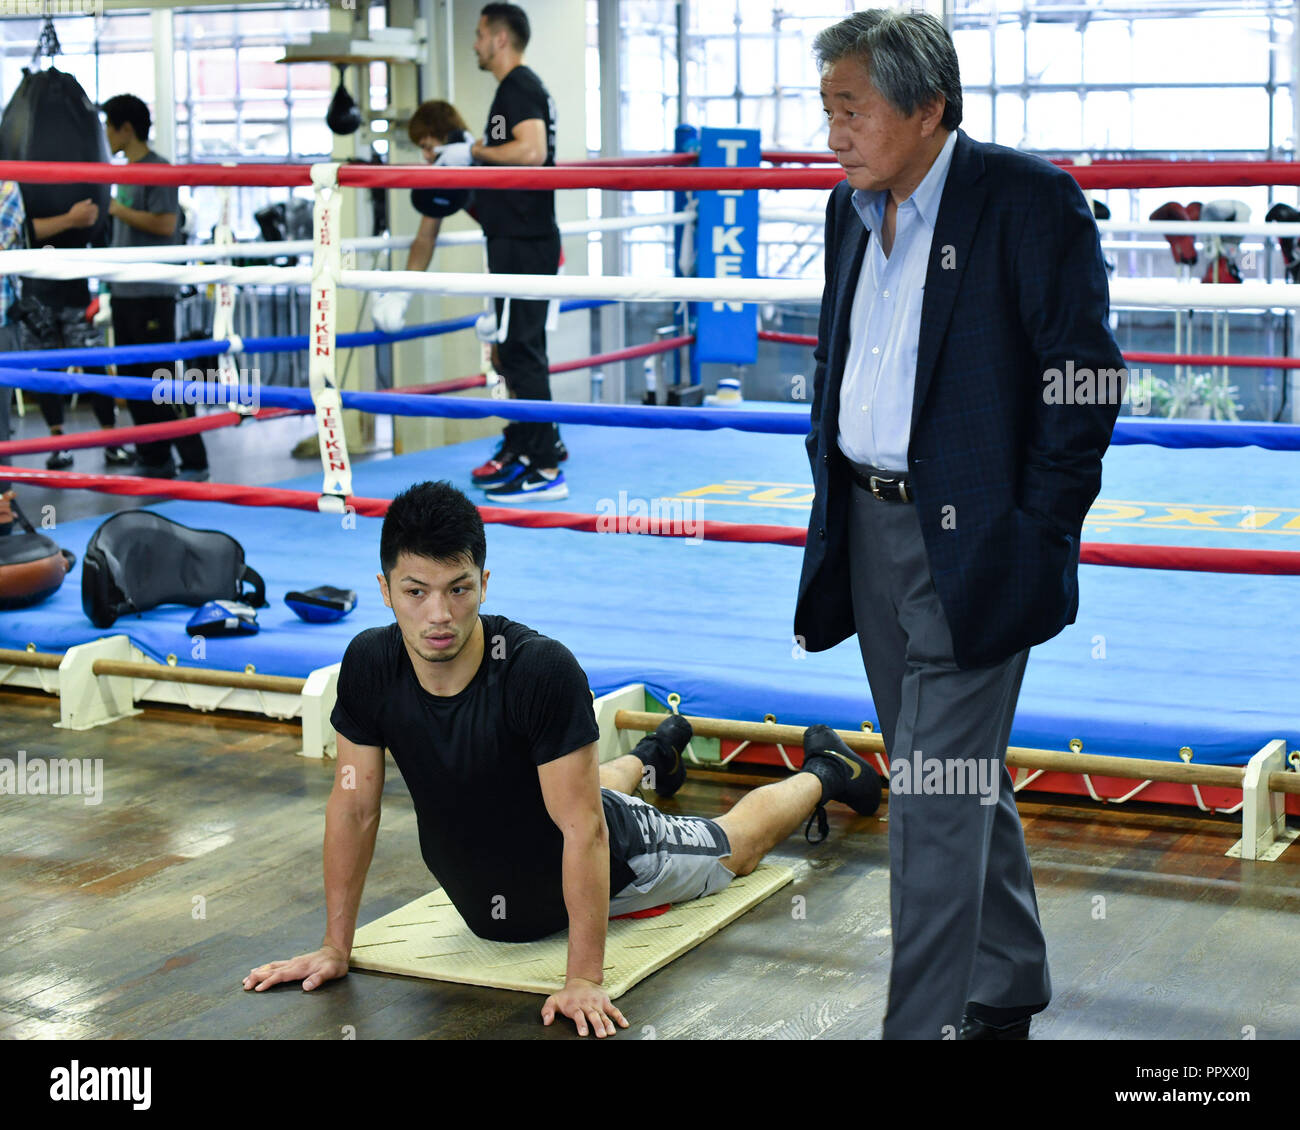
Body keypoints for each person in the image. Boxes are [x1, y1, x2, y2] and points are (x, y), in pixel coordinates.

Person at [243, 481, 882, 1037]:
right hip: (493, 883)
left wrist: (583, 977)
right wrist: (334, 946)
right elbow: (354, 807)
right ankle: (657, 752)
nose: (438, 614)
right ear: (384, 590)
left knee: (731, 847)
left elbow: (586, 829)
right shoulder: (369, 664)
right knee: (576, 788)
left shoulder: (537, 671)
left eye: (458, 589)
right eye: (416, 591)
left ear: (484, 584)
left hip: (619, 856)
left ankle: (825, 770)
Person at [796, 10, 1123, 1041]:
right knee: (948, 770)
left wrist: (1038, 527)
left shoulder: (1028, 203)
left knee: (932, 806)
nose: (833, 134)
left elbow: (1085, 382)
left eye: (850, 110)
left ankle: (923, 1027)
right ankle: (1010, 969)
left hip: (977, 546)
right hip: (867, 527)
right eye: (826, 112)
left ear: (926, 106)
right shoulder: (848, 210)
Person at [441, 2, 566, 504]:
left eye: (478, 34)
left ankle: (546, 463)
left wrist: (471, 152)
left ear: (499, 38)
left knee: (522, 350)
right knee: (511, 348)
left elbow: (532, 153)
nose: (474, 43)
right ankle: (524, 446)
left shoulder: (519, 87)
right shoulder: (514, 89)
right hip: (514, 237)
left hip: (525, 240)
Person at [102, 93, 209, 482]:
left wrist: (116, 209)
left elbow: (166, 226)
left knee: (161, 378)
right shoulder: (121, 171)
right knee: (132, 377)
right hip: (125, 290)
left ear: (125, 128)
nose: (105, 134)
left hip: (153, 290)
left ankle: (194, 459)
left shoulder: (157, 168)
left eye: (108, 126)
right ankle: (154, 456)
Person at [11, 183, 130, 471]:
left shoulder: (81, 182)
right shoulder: (25, 184)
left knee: (94, 364)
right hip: (36, 296)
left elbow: (98, 233)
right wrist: (69, 219)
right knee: (47, 370)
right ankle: (58, 443)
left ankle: (111, 439)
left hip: (76, 291)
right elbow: (25, 231)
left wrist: (105, 290)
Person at [370, 100, 479, 333]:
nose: (426, 156)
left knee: (518, 353)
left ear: (450, 140)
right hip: (515, 256)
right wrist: (401, 294)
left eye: (428, 146)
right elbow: (425, 237)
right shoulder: (454, 168)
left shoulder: (478, 160)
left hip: (531, 254)